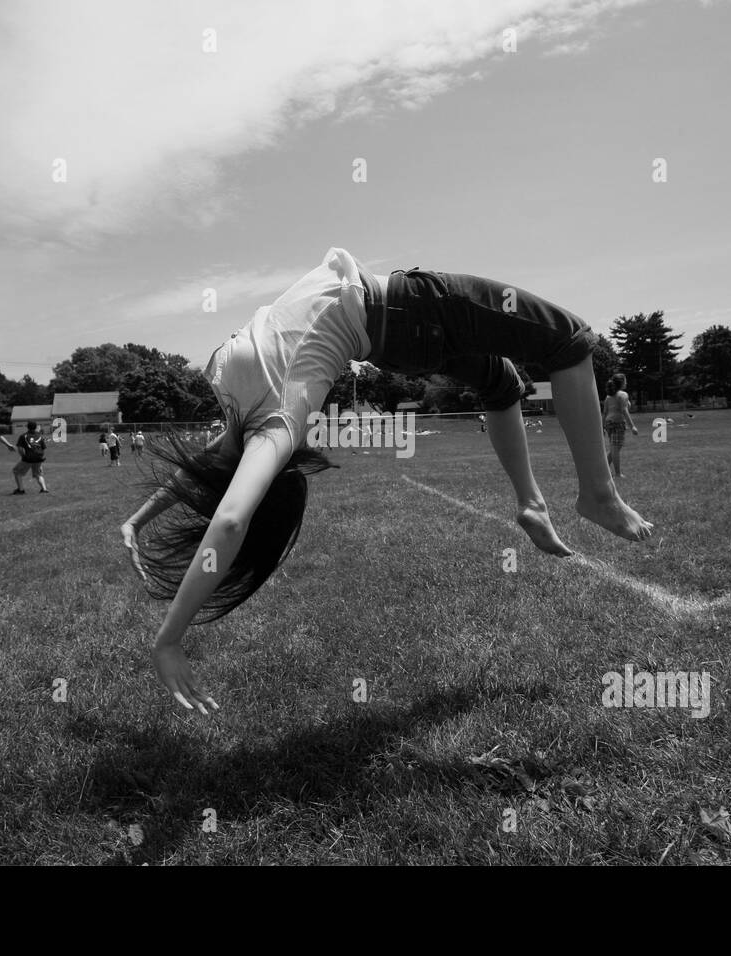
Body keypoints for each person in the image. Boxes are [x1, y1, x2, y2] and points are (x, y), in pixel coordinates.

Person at [119, 247, 653, 713]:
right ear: (274, 469)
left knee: (501, 384)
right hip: (406, 308)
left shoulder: (247, 424)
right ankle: (597, 493)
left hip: (397, 338)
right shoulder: (279, 420)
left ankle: (532, 502)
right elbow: (232, 519)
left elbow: (213, 467)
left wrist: (139, 519)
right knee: (571, 340)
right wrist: (169, 639)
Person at [602, 373, 638, 478]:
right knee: (616, 448)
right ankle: (617, 474)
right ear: (622, 383)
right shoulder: (623, 394)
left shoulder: (609, 396)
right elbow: (624, 411)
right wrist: (632, 426)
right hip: (618, 423)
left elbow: (605, 413)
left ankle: (603, 470)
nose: (627, 383)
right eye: (625, 381)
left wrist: (602, 426)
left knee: (614, 448)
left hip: (609, 423)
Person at [12, 421, 50, 494]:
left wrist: (23, 457)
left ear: (27, 427)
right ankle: (44, 489)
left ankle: (21, 490)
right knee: (38, 474)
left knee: (16, 471)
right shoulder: (40, 435)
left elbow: (19, 448)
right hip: (39, 457)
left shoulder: (23, 436)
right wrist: (39, 458)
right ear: (35, 427)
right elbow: (43, 448)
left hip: (29, 458)